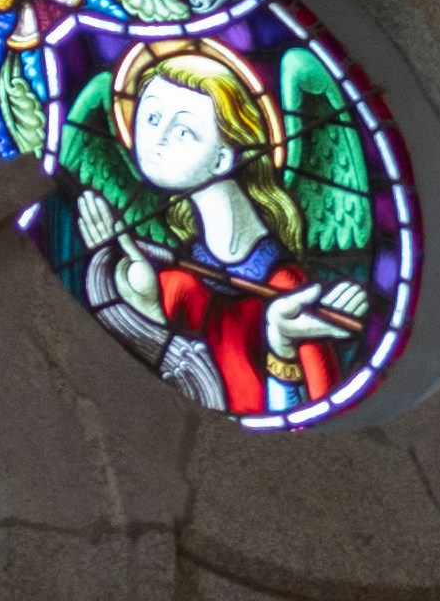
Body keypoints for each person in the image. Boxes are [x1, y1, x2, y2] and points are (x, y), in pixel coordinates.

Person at [49, 32, 381, 418]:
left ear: (225, 158)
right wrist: (142, 306)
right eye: (151, 117)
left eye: (183, 130)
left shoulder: (289, 289)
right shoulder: (174, 283)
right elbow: (173, 401)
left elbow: (301, 420)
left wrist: (282, 348)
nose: (156, 140)